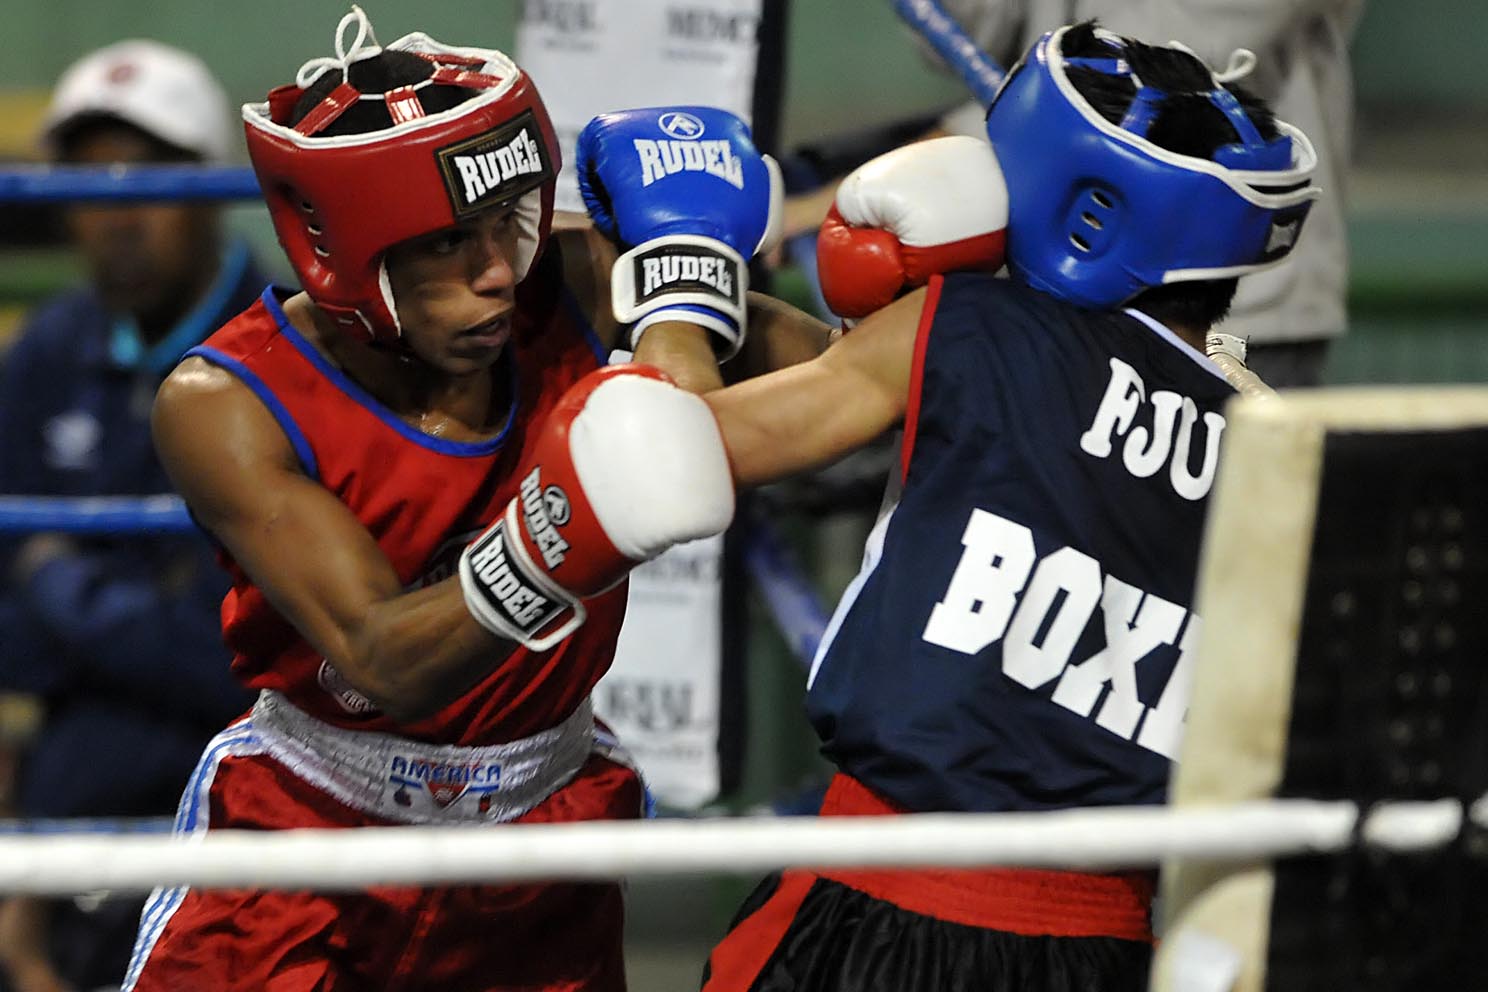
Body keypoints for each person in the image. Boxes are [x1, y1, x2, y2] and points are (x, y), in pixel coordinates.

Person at [121, 8, 821, 991]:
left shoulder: (567, 278)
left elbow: (839, 376)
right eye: (453, 245)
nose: (498, 272)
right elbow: (380, 653)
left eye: (510, 223)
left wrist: (685, 280)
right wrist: (557, 538)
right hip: (315, 831)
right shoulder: (229, 402)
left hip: (544, 830)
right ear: (347, 255)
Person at [695, 22, 1319, 991]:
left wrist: (674, 281)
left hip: (873, 911)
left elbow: (683, 448)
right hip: (1106, 944)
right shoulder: (1275, 444)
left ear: (1087, 218)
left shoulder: (970, 326)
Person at [0, 39, 261, 992]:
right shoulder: (44, 356)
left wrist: (55, 577)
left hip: (250, 792)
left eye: (143, 181)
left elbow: (239, 661)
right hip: (80, 791)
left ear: (202, 187)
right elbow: (11, 650)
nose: (116, 217)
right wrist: (153, 609)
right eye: (89, 183)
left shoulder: (290, 350)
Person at [904, 0, 1362, 386]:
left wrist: (905, 174)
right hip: (1050, 295)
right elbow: (961, 36)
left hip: (1224, 315)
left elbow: (1135, 86)